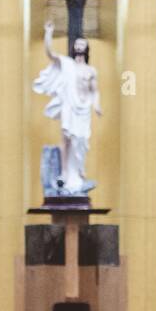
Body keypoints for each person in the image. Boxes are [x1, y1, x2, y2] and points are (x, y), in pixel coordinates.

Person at [33, 20, 102, 195]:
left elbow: (95, 91)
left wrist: (97, 105)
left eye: (83, 44)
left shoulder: (91, 70)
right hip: (69, 105)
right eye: (77, 44)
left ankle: (79, 171)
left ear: (86, 49)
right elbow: (50, 54)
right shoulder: (67, 64)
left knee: (81, 141)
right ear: (74, 47)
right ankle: (64, 171)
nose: (79, 46)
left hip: (83, 108)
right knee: (66, 138)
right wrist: (48, 33)